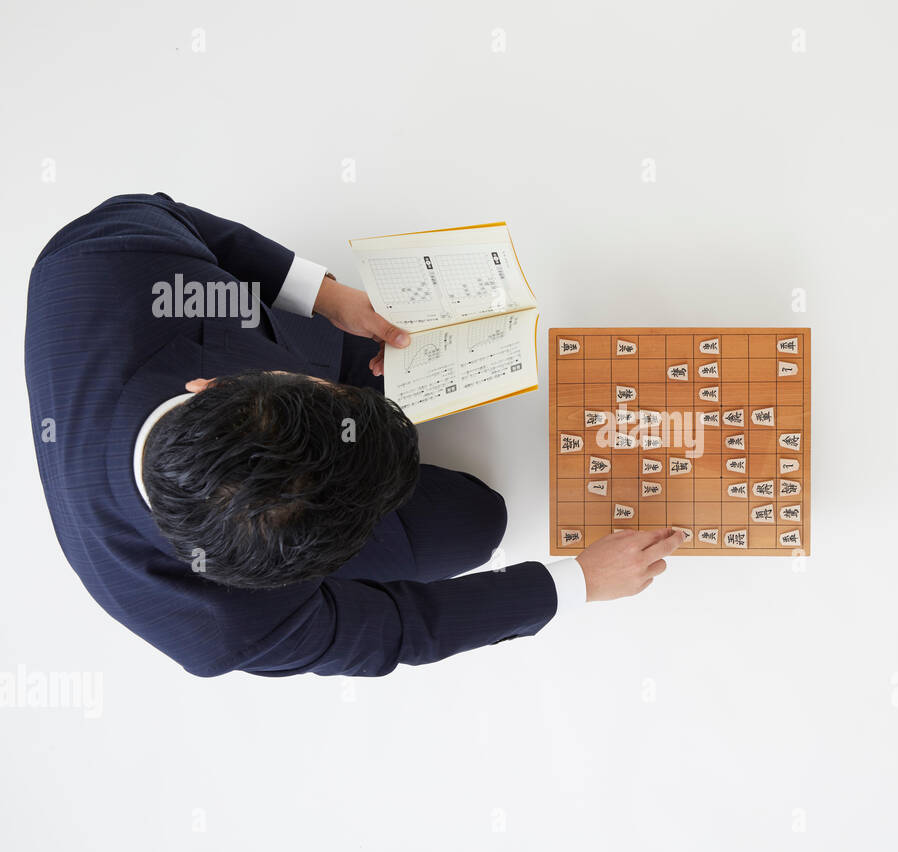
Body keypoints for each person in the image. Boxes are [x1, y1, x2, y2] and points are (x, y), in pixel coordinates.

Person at [25, 192, 682, 677]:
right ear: (287, 575)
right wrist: (577, 583)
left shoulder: (102, 264)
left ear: (218, 386)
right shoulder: (221, 627)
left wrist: (324, 295)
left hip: (194, 342)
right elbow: (396, 629)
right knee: (477, 522)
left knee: (396, 357)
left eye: (328, 398)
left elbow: (188, 225)